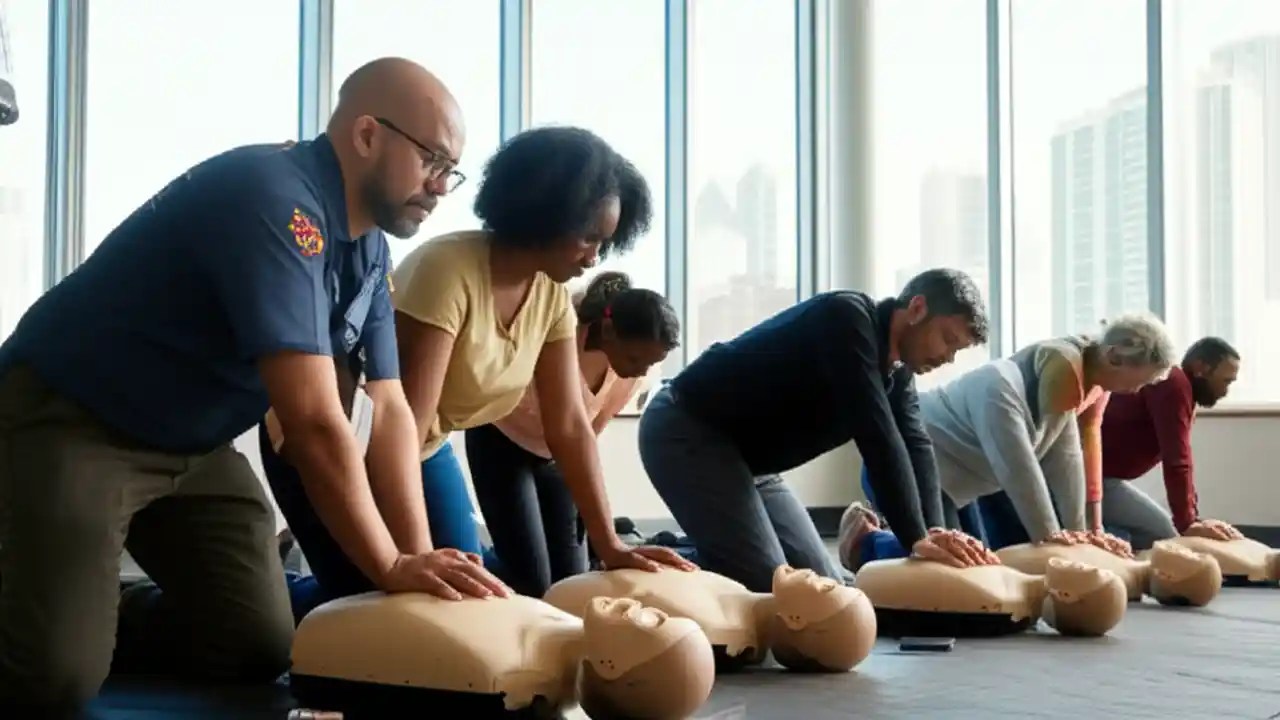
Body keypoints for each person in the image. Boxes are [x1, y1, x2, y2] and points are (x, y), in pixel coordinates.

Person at [0, 57, 507, 714]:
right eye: (433, 160)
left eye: (451, 170)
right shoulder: (274, 200)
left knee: (256, 646)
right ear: (366, 135)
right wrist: (387, 567)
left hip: (192, 445)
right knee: (53, 682)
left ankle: (78, 611)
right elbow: (315, 420)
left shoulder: (368, 250)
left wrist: (416, 560)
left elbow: (388, 408)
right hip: (75, 419)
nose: (442, 186)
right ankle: (46, 620)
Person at [266, 125, 694, 617]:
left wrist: (611, 547)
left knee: (464, 591)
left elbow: (570, 427)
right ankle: (275, 593)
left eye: (604, 243)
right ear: (545, 215)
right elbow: (399, 421)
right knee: (382, 605)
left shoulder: (551, 296)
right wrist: (414, 562)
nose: (594, 257)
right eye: (587, 237)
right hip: (332, 447)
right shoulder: (447, 271)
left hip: (421, 448)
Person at [637, 268, 996, 593]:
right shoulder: (847, 318)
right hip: (687, 428)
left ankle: (714, 543)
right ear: (917, 309)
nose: (948, 357)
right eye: (948, 340)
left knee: (828, 591)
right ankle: (651, 557)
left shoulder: (897, 374)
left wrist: (934, 531)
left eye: (957, 350)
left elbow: (915, 445)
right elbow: (877, 435)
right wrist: (915, 538)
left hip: (750, 467)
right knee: (772, 588)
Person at [847, 315, 1175, 564]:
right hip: (902, 475)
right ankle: (866, 542)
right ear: (1115, 357)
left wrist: (1085, 535)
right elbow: (1021, 470)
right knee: (954, 565)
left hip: (954, 489)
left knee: (986, 557)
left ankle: (884, 535)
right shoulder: (999, 388)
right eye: (1140, 381)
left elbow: (1074, 458)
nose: (1137, 391)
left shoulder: (1087, 386)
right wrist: (1056, 540)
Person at [465, 270, 680, 597]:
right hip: (501, 438)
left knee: (572, 582)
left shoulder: (635, 374)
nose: (642, 371)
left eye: (651, 363)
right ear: (608, 330)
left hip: (556, 454)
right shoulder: (558, 335)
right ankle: (475, 558)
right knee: (533, 581)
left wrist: (596, 524)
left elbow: (586, 436)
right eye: (636, 358)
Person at [1098, 336, 1244, 549]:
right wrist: (1187, 523)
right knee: (1161, 536)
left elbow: (1182, 460)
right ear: (1200, 368)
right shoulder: (1174, 384)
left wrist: (1193, 517)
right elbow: (1176, 460)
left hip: (1105, 478)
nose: (1225, 392)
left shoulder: (1181, 388)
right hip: (1089, 477)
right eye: (1225, 381)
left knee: (1161, 533)